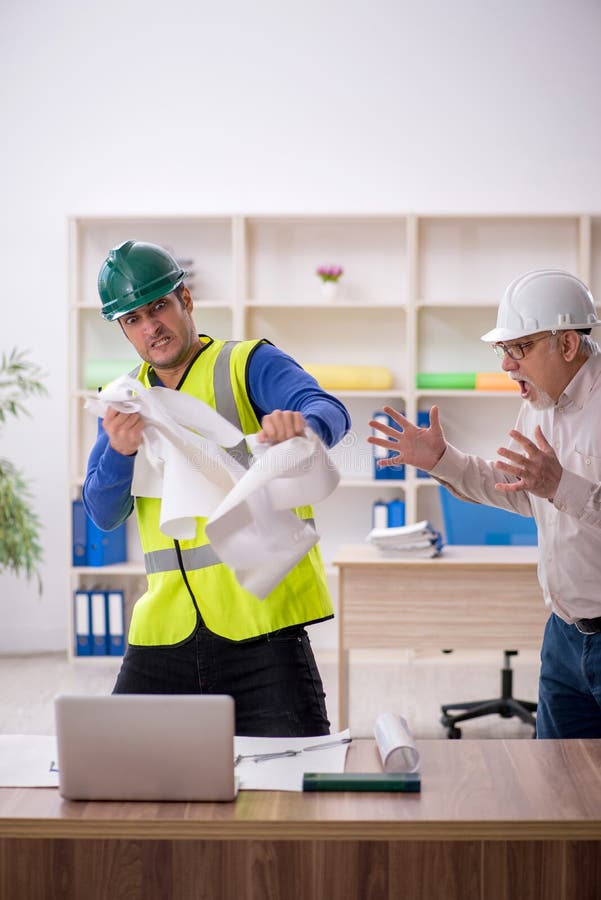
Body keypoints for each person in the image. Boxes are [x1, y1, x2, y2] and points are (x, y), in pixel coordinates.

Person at [83, 239, 351, 737]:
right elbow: (102, 512)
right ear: (123, 329)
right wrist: (119, 453)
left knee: (292, 790)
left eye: (158, 306)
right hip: (163, 632)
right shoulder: (126, 398)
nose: (151, 327)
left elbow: (328, 409)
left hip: (263, 628)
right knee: (118, 773)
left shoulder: (246, 363)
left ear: (185, 300)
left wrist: (301, 428)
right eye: (134, 319)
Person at [369, 268, 601, 739]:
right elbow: (524, 492)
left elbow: (555, 490)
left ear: (568, 345)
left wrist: (561, 485)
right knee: (555, 790)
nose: (507, 365)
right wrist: (442, 460)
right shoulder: (540, 405)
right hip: (563, 636)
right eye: (504, 350)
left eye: (519, 348)